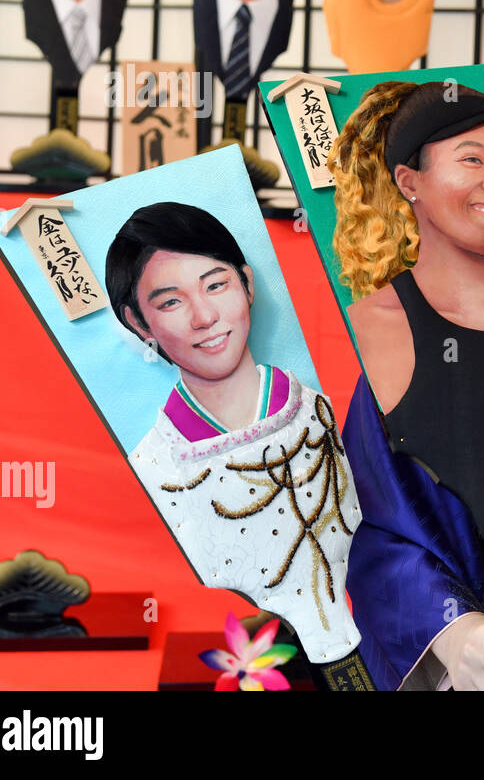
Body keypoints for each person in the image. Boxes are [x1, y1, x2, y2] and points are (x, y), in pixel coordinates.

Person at [332, 80, 484, 690]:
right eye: (471, 160)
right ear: (409, 181)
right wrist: (453, 629)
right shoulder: (383, 331)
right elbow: (378, 530)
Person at [106, 202, 363, 667]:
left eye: (217, 285)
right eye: (170, 302)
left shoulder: (318, 410)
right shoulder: (156, 464)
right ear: (138, 323)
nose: (204, 316)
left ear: (247, 284)